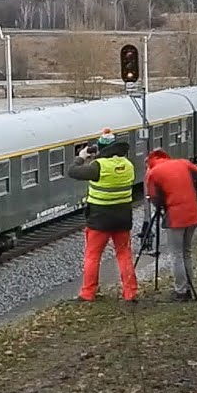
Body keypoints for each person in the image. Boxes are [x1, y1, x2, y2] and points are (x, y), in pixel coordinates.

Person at [67, 129, 139, 302]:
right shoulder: (128, 165)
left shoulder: (98, 166)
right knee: (124, 255)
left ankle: (88, 293)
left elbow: (73, 171)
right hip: (122, 217)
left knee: (93, 256)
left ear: (101, 149)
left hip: (99, 219)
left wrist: (82, 156)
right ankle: (130, 292)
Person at [145, 148, 197, 302]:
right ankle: (189, 286)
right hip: (194, 211)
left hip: (176, 216)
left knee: (176, 254)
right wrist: (193, 191)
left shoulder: (153, 173)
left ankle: (181, 291)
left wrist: (164, 204)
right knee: (186, 251)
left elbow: (154, 198)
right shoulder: (183, 163)